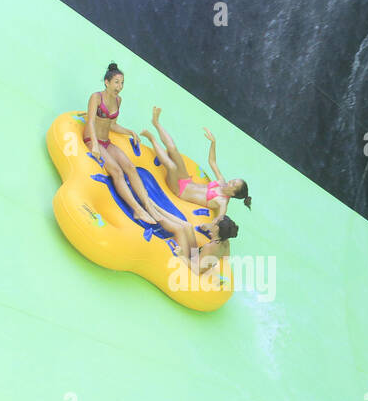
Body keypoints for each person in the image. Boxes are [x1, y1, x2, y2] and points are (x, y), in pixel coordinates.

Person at [140, 106, 251, 234]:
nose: (230, 181)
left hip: (179, 190)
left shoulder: (222, 203)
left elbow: (218, 221)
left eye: (233, 184)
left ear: (233, 193)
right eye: (233, 180)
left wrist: (207, 227)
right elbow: (212, 162)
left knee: (171, 166)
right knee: (173, 149)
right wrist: (213, 143)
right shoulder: (221, 182)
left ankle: (151, 138)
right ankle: (156, 123)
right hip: (186, 180)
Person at [85, 62, 158, 224]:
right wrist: (95, 145)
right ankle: (137, 210)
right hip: (93, 139)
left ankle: (147, 205)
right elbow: (90, 122)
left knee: (130, 168)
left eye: (122, 83)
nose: (120, 86)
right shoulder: (96, 97)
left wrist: (130, 131)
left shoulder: (118, 100)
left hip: (106, 141)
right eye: (117, 82)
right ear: (107, 82)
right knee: (117, 172)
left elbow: (112, 125)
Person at [143, 197, 237, 275]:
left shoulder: (210, 247)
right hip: (196, 255)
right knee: (188, 226)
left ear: (216, 228)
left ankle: (152, 212)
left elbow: (197, 271)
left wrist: (182, 255)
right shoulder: (225, 241)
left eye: (215, 220)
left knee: (179, 230)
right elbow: (226, 257)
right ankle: (156, 207)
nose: (214, 219)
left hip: (191, 263)